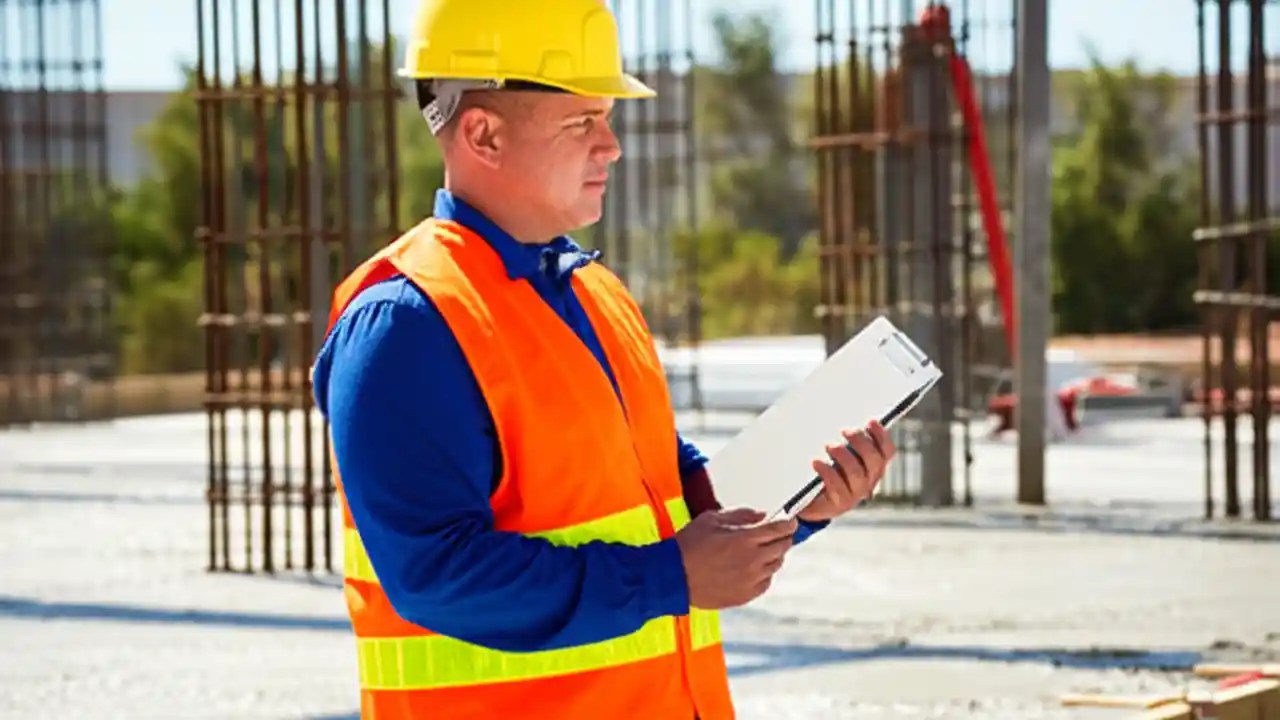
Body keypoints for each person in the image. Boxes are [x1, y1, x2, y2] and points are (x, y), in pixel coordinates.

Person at [311, 1, 897, 718]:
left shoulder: (593, 293)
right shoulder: (405, 324)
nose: (612, 146)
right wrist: (668, 576)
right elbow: (434, 574)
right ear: (482, 133)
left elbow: (663, 502)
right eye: (582, 121)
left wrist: (798, 504)